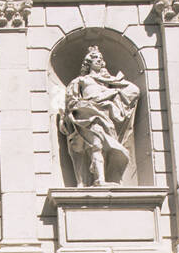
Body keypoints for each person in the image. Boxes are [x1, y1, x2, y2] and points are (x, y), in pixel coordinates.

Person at [58, 44, 140, 187]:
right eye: (95, 58)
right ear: (88, 62)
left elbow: (134, 91)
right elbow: (70, 101)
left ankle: (103, 176)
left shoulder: (109, 82)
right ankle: (100, 179)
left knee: (104, 146)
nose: (98, 60)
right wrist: (66, 118)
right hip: (87, 116)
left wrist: (114, 88)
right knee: (96, 144)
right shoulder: (80, 81)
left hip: (106, 117)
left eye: (100, 58)